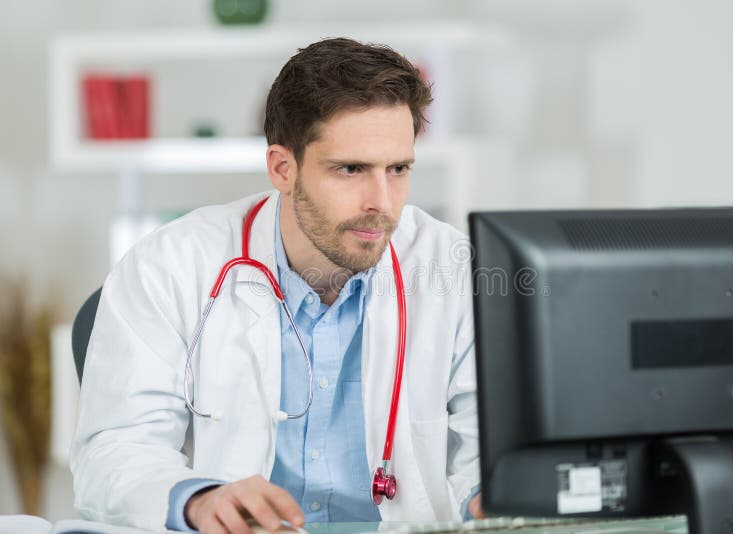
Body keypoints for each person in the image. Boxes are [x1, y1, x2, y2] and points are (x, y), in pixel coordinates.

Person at [70, 38, 482, 533]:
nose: (382, 202)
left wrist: (490, 494)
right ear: (282, 168)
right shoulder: (169, 266)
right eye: (350, 169)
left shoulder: (455, 269)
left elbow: (487, 450)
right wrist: (199, 501)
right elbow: (115, 451)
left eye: (398, 169)